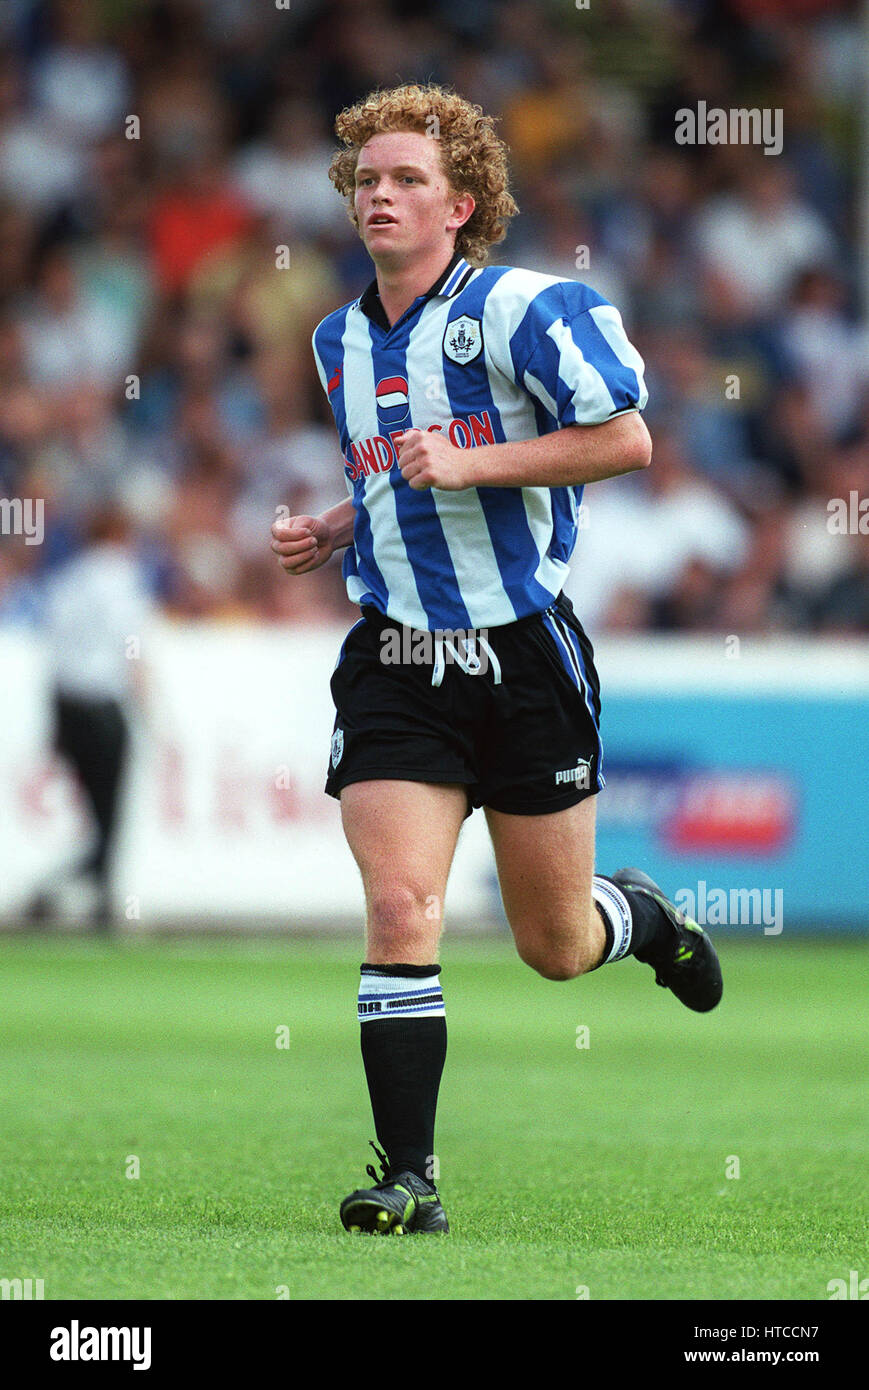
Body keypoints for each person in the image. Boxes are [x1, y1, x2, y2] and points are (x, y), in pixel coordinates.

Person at [270, 84, 722, 1236]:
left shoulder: (528, 307)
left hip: (521, 657)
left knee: (554, 948)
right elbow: (392, 471)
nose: (378, 193)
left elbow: (626, 438)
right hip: (393, 655)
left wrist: (473, 466)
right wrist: (336, 526)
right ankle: (408, 1176)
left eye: (406, 178)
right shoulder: (337, 338)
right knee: (401, 904)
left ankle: (643, 921)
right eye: (365, 177)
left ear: (458, 203)